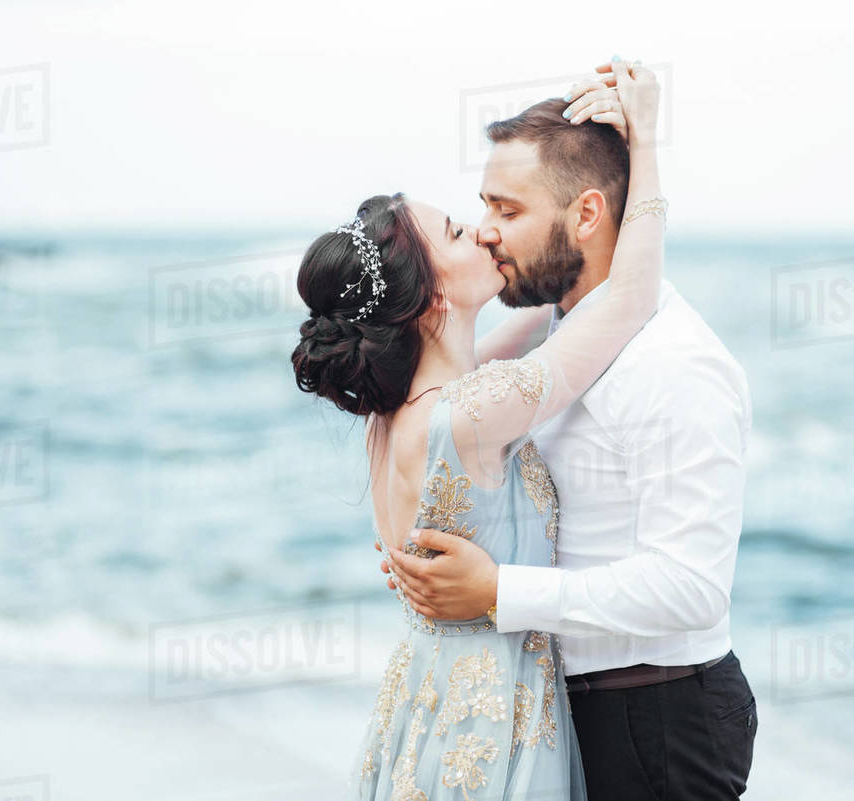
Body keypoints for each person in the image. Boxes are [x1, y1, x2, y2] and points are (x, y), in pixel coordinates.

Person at [384, 62, 757, 800]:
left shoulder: (673, 363)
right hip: (558, 713)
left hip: (654, 721)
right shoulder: (552, 338)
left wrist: (497, 589)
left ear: (586, 215)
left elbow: (692, 587)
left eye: (507, 209)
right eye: (480, 206)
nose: (486, 231)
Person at [292, 59, 662, 800]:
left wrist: (558, 253)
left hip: (422, 705)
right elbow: (631, 300)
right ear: (433, 299)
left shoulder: (401, 405)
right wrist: (647, 139)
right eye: (461, 230)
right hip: (493, 723)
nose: (487, 232)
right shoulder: (475, 409)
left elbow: (545, 322)